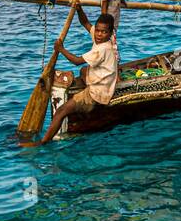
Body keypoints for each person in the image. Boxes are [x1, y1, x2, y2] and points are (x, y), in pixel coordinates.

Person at [31, 13, 119, 145]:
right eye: (98, 31)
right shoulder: (103, 38)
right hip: (104, 82)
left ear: (110, 33)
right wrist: (78, 8)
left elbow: (77, 61)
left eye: (104, 32)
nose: (99, 34)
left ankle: (43, 142)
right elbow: (85, 23)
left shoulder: (102, 49)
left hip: (98, 93)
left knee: (61, 111)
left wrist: (61, 49)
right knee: (84, 70)